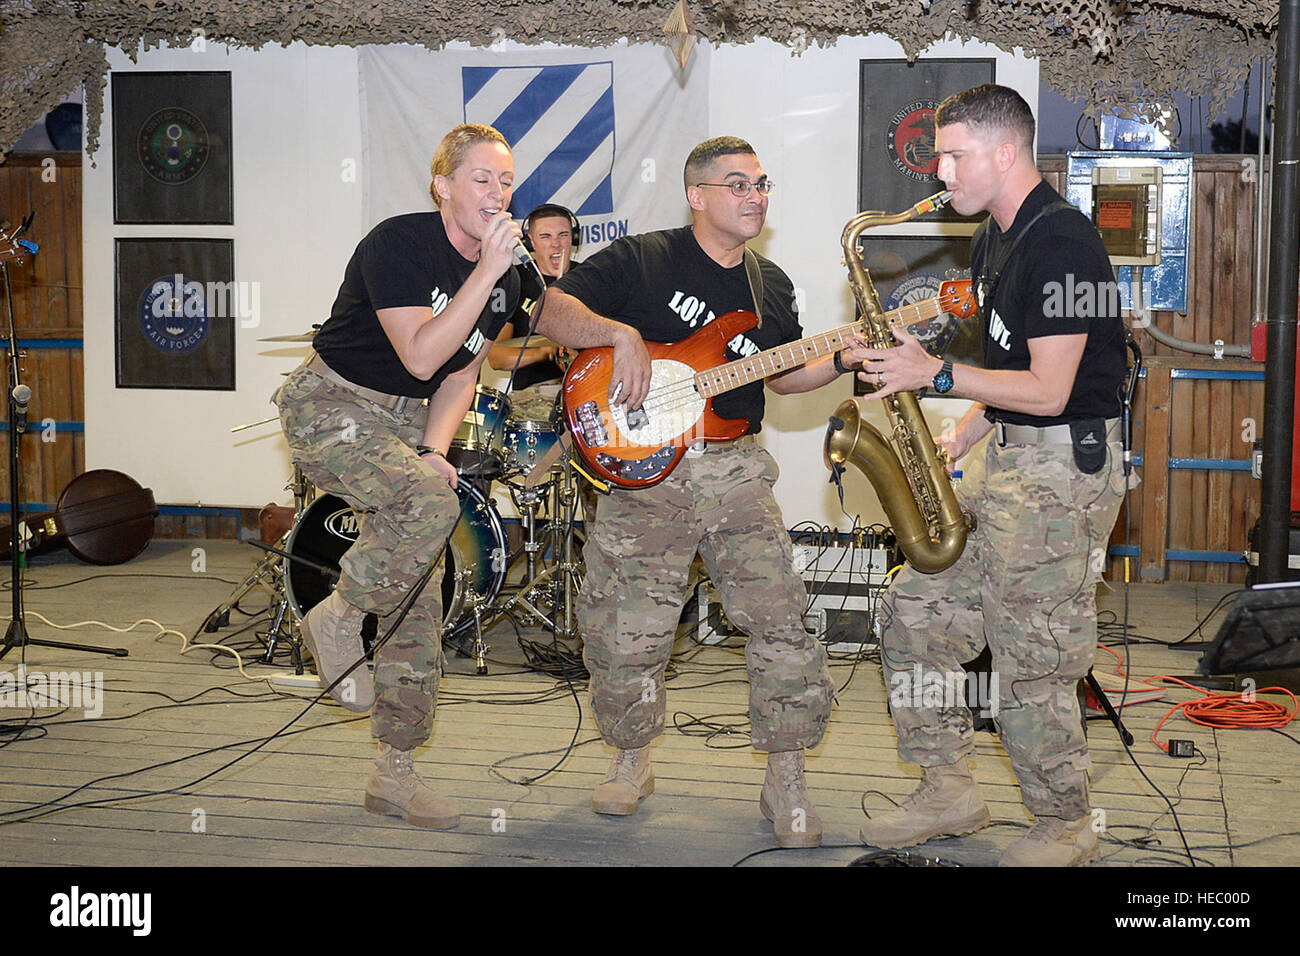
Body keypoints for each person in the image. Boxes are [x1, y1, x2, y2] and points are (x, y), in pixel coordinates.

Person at [273, 123, 647, 830]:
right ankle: (340, 613)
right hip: (332, 405)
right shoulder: (399, 245)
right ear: (443, 185)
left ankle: (394, 772)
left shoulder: (508, 274)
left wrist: (437, 451)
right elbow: (420, 355)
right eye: (482, 179)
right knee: (424, 507)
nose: (498, 193)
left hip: (409, 423)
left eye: (506, 181)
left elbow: (463, 368)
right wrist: (485, 274)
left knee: (420, 583)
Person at [539, 136, 852, 848]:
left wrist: (842, 361)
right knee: (626, 633)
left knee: (779, 622)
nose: (755, 196)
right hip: (648, 474)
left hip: (737, 469)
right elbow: (549, 313)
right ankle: (631, 758)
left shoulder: (769, 285)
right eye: (738, 184)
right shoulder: (641, 258)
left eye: (763, 184)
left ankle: (787, 778)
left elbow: (781, 375)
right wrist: (620, 336)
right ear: (698, 194)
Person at [847, 84, 1128, 866]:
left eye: (955, 154)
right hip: (1008, 458)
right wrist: (963, 437)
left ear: (1007, 153)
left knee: (1028, 650)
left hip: (1063, 471)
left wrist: (936, 378)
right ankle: (950, 788)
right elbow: (1006, 374)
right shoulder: (992, 237)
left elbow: (1052, 391)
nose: (939, 169)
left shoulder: (1065, 242)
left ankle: (1064, 822)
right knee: (911, 611)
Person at [486, 202, 581, 394]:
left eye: (563, 235)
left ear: (574, 238)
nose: (556, 244)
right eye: (545, 236)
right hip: (534, 398)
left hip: (584, 388)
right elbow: (496, 357)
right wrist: (546, 352)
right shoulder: (512, 281)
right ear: (530, 242)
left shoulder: (590, 277)